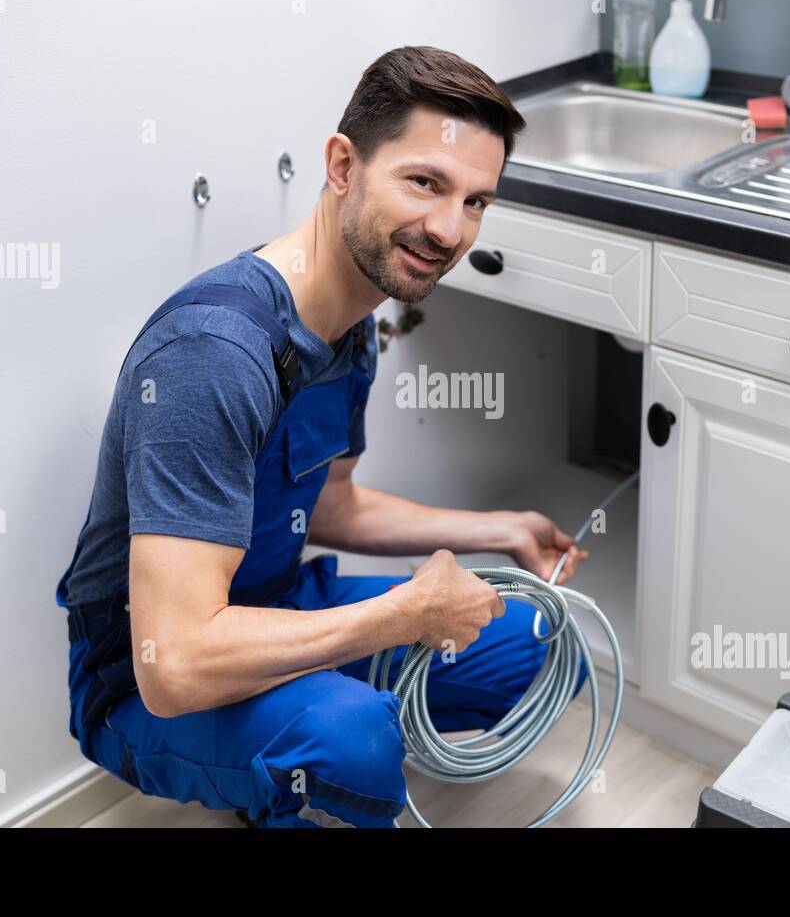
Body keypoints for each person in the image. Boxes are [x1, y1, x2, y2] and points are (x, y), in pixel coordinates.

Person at [55, 46, 588, 828]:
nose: (449, 229)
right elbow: (175, 667)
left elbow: (332, 510)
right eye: (425, 183)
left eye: (477, 201)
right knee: (353, 740)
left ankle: (299, 734)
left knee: (538, 639)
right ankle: (303, 751)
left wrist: (500, 530)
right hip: (146, 684)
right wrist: (402, 615)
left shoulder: (350, 327)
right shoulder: (215, 356)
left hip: (281, 608)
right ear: (344, 165)